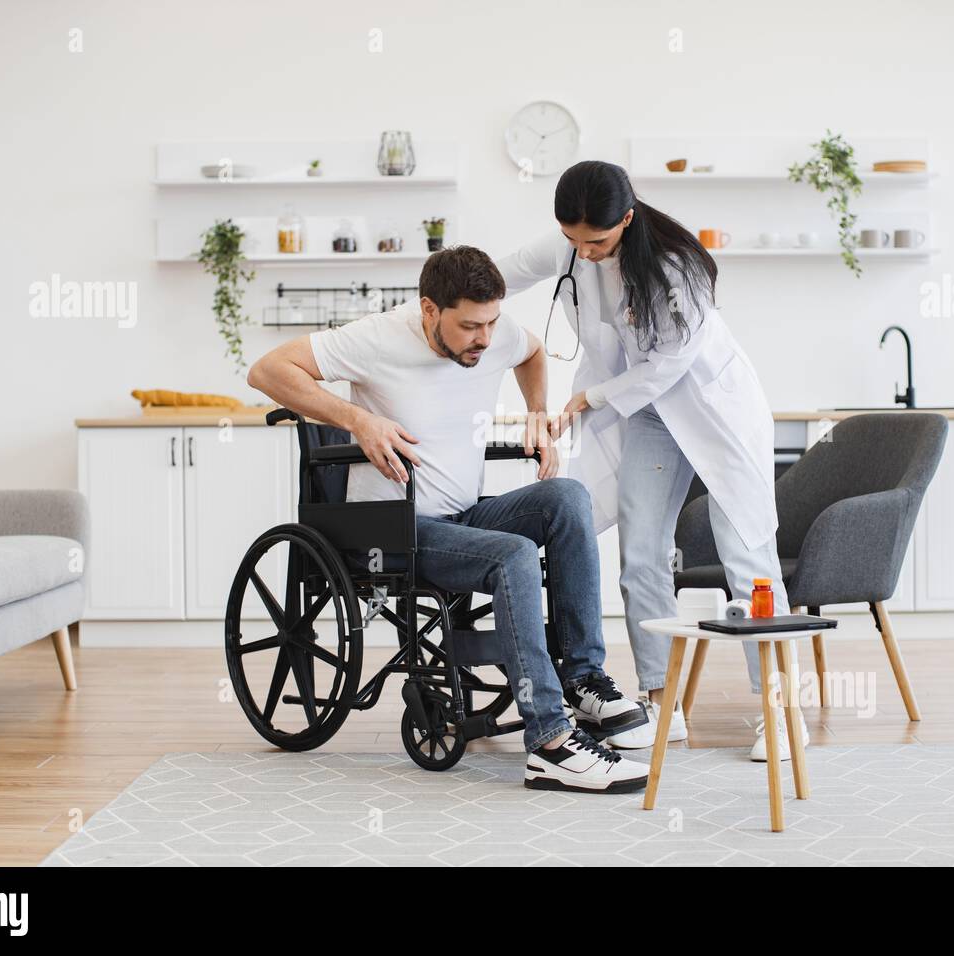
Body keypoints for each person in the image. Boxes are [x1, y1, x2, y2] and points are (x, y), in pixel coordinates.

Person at [247, 244, 650, 793]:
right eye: (469, 327)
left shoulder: (493, 334)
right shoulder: (377, 338)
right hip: (392, 530)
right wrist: (359, 420)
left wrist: (536, 412)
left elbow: (530, 353)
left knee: (568, 497)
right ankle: (551, 743)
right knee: (510, 555)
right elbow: (266, 370)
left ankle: (583, 679)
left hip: (462, 517)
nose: (484, 339)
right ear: (429, 310)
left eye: (491, 322)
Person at [495, 160, 807, 760]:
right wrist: (435, 304)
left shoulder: (675, 266)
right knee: (640, 555)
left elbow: (669, 364)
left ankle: (777, 709)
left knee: (747, 558)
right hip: (648, 418)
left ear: (627, 220)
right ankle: (663, 699)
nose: (583, 254)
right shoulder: (570, 247)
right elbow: (499, 276)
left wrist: (588, 398)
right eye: (573, 240)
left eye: (598, 242)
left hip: (716, 411)